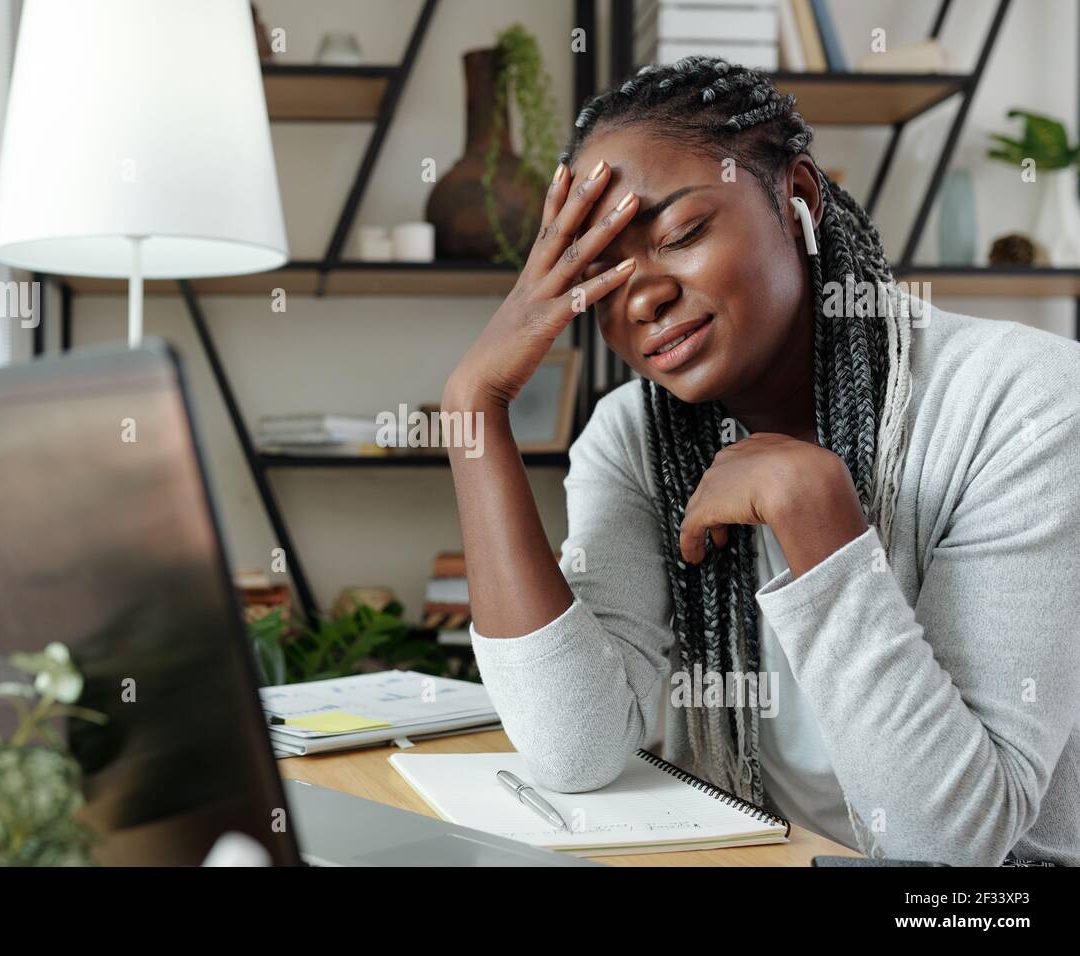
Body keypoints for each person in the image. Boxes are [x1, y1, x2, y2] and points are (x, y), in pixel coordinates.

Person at [440, 57, 1080, 866]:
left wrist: (816, 519)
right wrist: (473, 410)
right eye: (599, 274)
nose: (640, 297)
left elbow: (949, 849)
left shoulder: (1024, 404)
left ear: (799, 198)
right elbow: (575, 748)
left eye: (680, 235)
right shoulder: (633, 439)